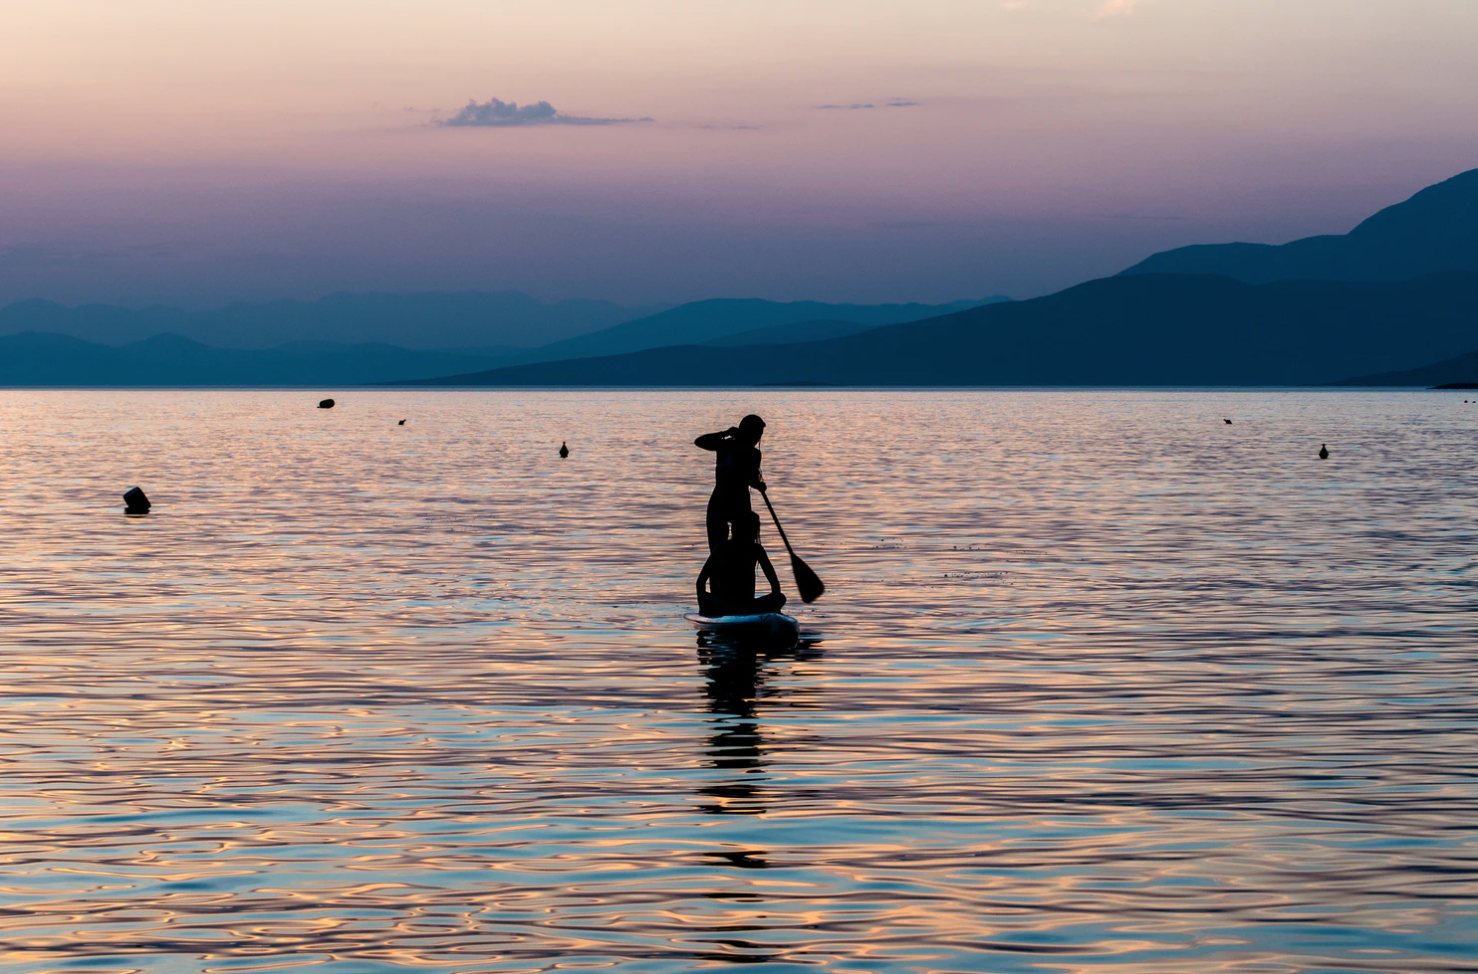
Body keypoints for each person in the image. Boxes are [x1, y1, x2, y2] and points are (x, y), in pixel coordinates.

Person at [694, 414, 766, 553]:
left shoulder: (754, 454)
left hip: (740, 506)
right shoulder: (724, 446)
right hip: (718, 505)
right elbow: (700, 441)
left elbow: (751, 479)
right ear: (748, 432)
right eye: (757, 434)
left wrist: (759, 485)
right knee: (717, 552)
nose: (758, 439)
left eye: (760, 435)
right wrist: (725, 433)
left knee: (743, 552)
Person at [696, 511, 786, 617]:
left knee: (780, 597)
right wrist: (705, 612)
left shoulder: (757, 550)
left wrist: (774, 611)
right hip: (725, 605)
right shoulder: (723, 548)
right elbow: (701, 582)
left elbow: (774, 584)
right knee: (703, 597)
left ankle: (743, 612)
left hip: (748, 605)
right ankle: (738, 612)